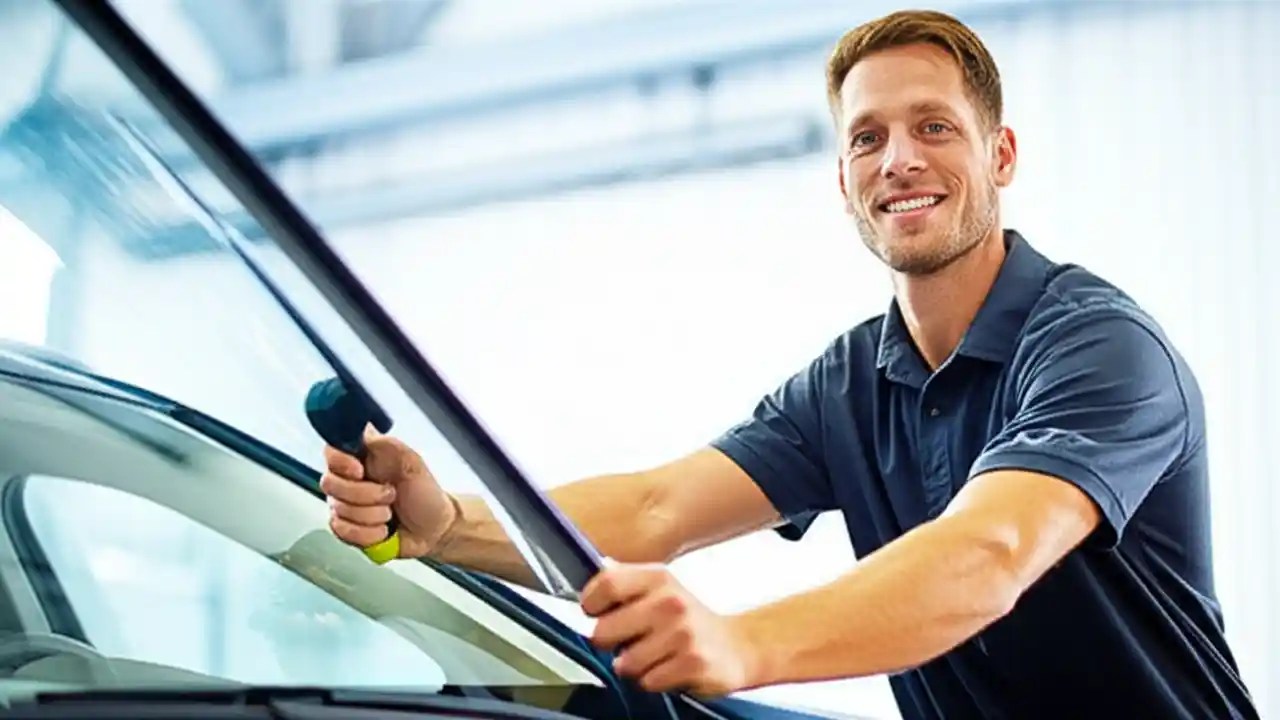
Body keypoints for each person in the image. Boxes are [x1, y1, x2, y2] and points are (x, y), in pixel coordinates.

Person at [320, 9, 1258, 720]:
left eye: (934, 127)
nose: (898, 159)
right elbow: (658, 509)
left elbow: (989, 554)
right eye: (867, 137)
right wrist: (445, 526)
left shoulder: (1098, 345)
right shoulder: (848, 383)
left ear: (1000, 155)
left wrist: (740, 643)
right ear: (842, 179)